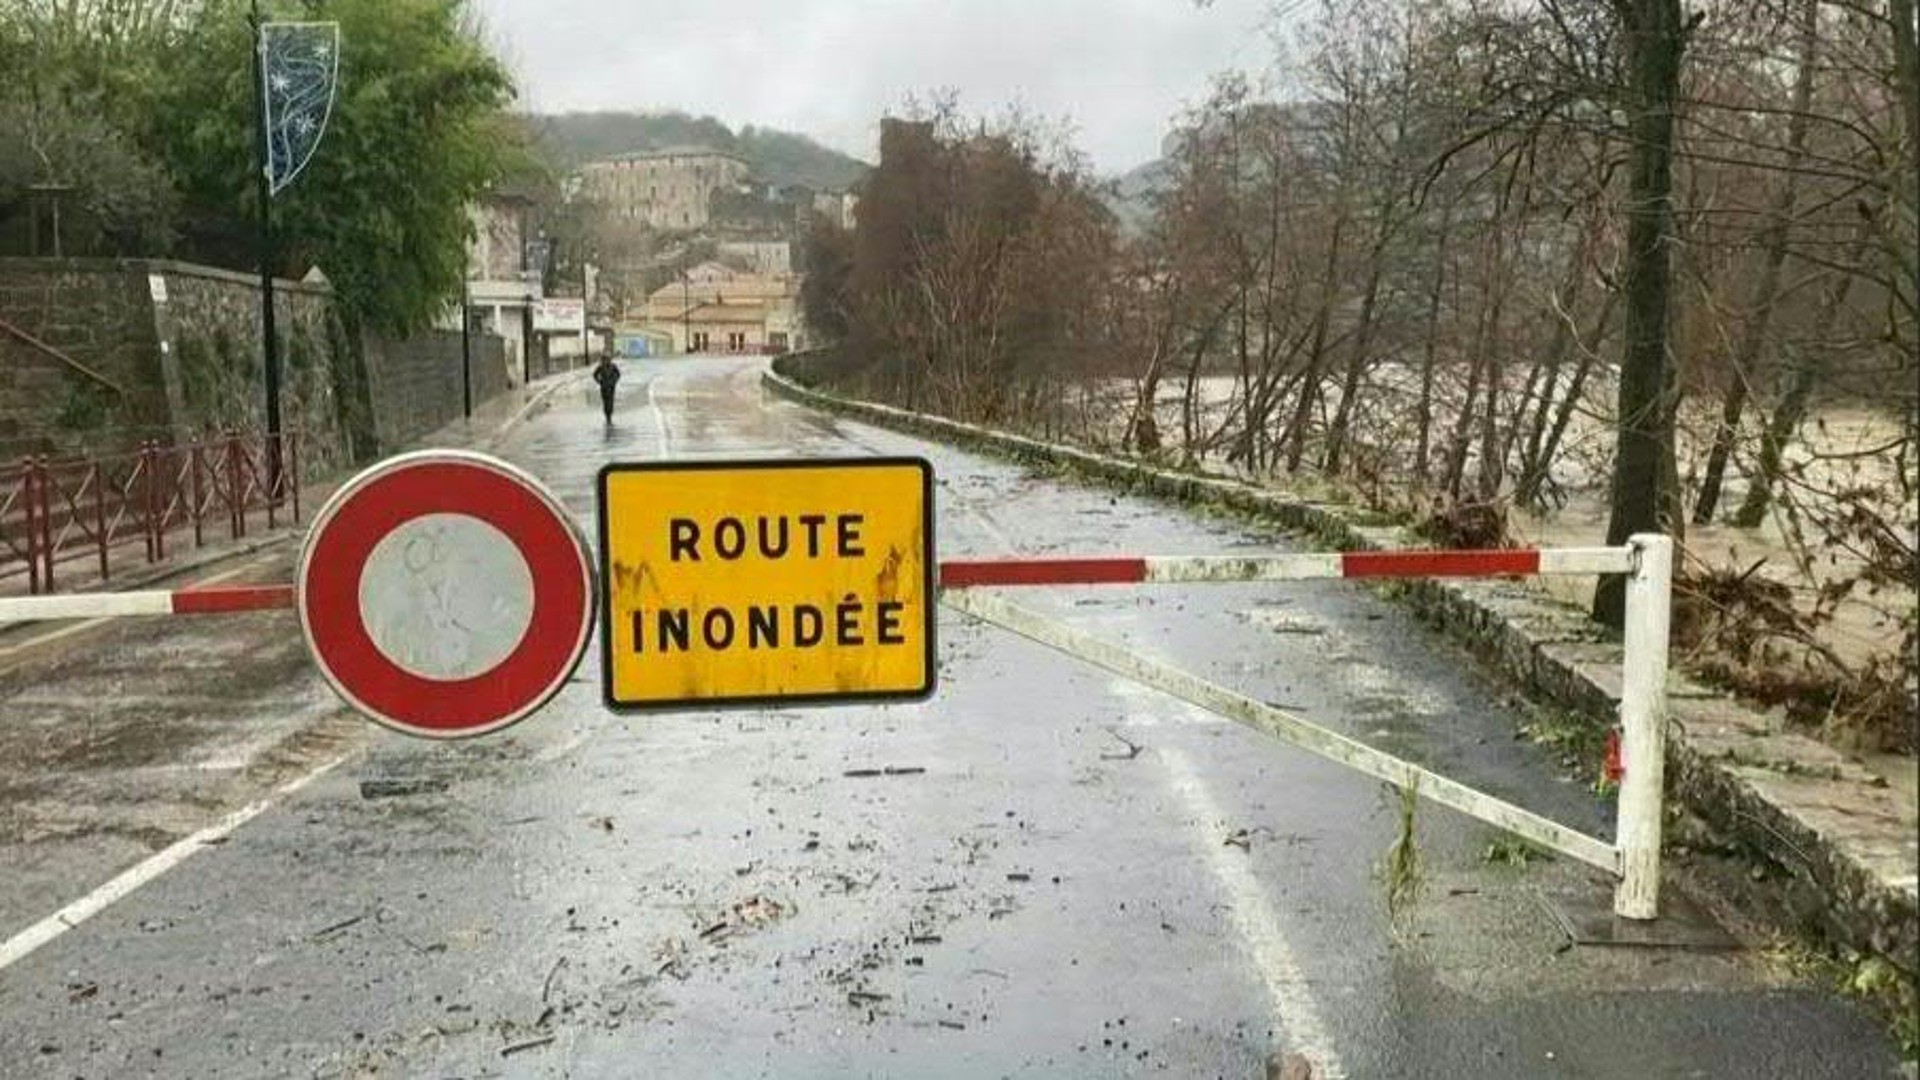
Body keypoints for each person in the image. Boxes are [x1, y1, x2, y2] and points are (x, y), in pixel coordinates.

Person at [592, 355, 621, 423]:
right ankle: (607, 415)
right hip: (604, 387)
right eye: (604, 359)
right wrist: (599, 381)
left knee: (610, 401)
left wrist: (614, 381)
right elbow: (595, 375)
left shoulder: (613, 366)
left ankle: (610, 414)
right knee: (605, 402)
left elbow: (618, 374)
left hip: (611, 387)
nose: (606, 361)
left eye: (607, 359)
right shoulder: (600, 367)